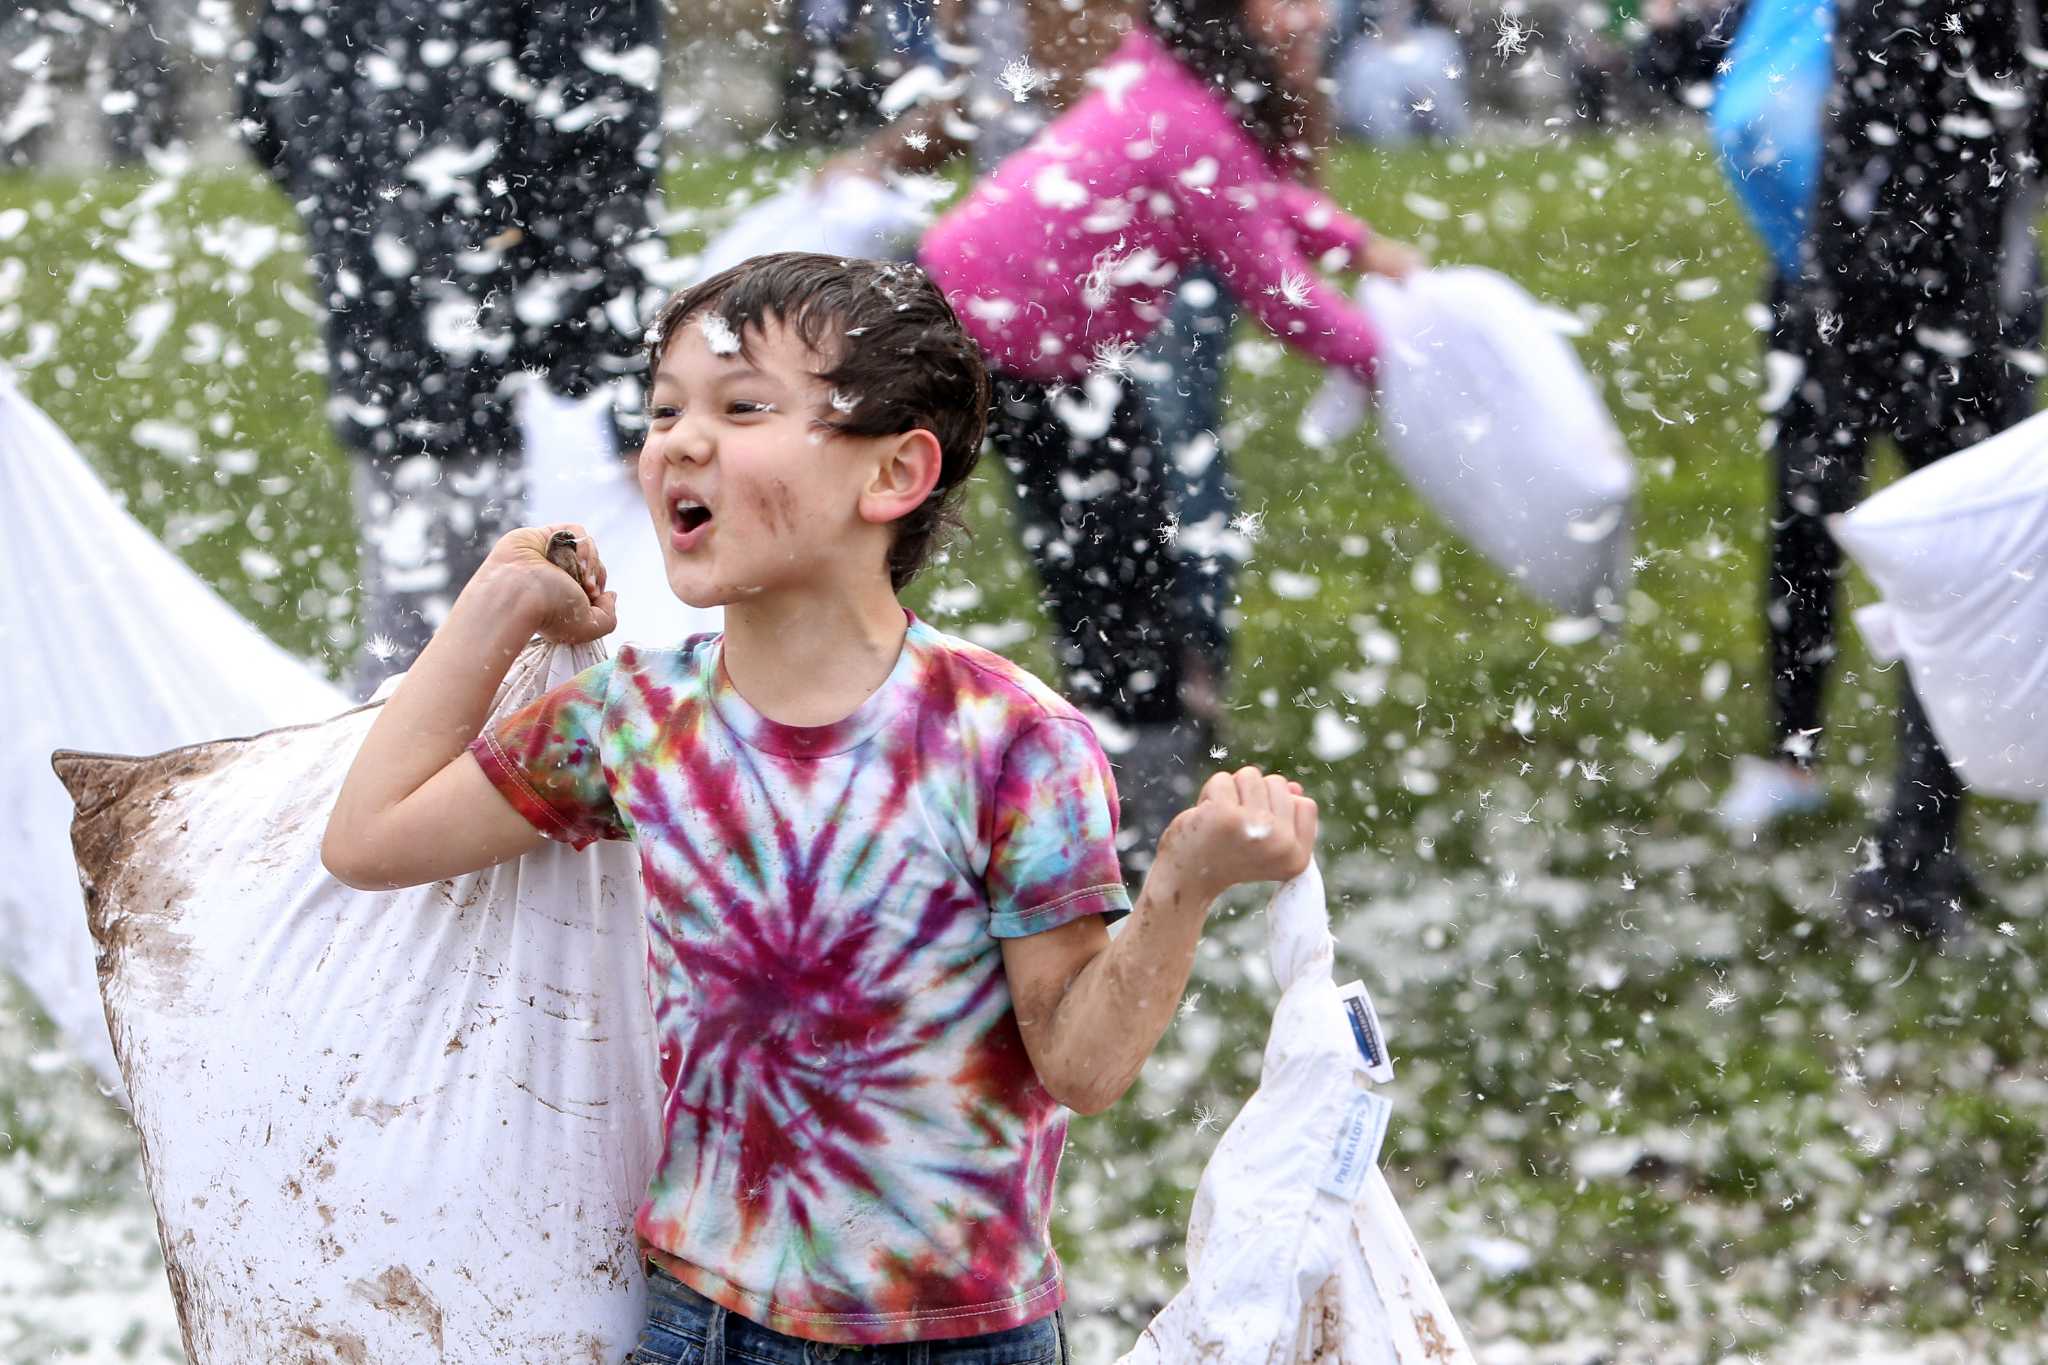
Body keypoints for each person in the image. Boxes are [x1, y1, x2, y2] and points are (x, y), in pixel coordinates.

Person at [321, 252, 1319, 1355]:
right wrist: (500, 602)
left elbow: (1079, 1065)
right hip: (695, 1318)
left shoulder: (1007, 741)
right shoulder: (635, 719)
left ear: (892, 475)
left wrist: (1178, 886)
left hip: (952, 1336)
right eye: (661, 410)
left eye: (742, 406)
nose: (677, 442)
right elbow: (370, 838)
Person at [917, 0, 1418, 862]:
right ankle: (1129, 802)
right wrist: (1396, 360)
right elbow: (1275, 287)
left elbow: (1247, 198)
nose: (1311, 14)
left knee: (1124, 548)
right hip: (995, 341)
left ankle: (1131, 755)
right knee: (1111, 562)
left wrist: (1356, 243)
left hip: (1026, 336)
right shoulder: (1187, 115)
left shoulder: (1173, 87)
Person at [1719, 0, 2045, 936]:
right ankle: (1904, 847)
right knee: (1943, 553)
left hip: (1864, 290)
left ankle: (1894, 831)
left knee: (1847, 531)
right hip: (1934, 300)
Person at [240, 0, 666, 697]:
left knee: (418, 629)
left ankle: (373, 784)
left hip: (388, 335)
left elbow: (263, 115)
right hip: (535, 352)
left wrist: (372, 218)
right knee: (499, 645)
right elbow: (599, 147)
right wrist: (634, 391)